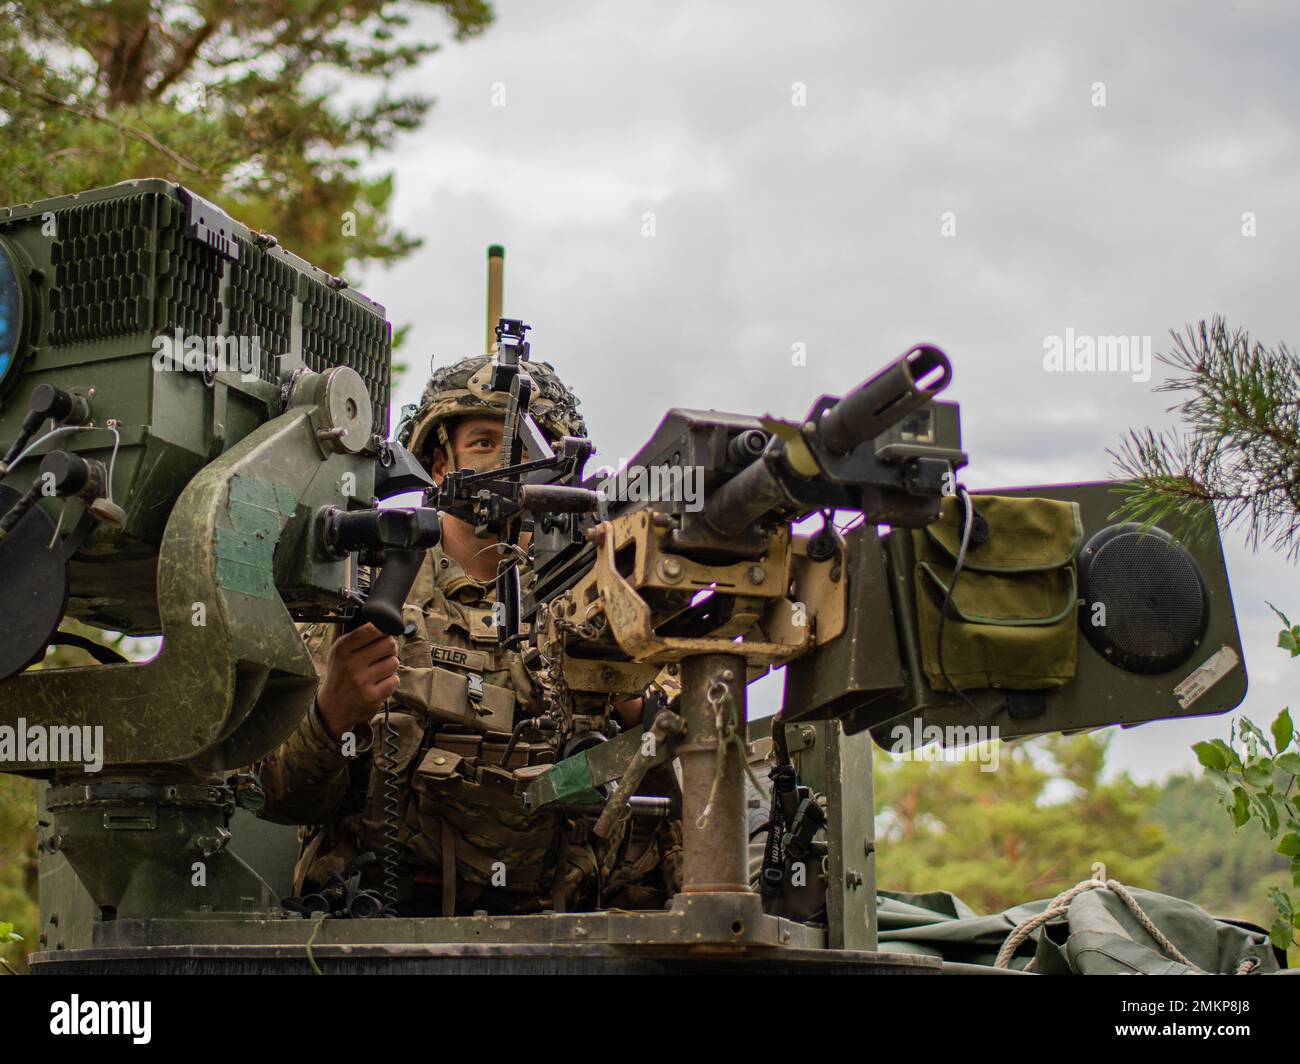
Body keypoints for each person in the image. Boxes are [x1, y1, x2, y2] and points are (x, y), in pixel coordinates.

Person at [252, 354, 682, 915]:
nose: (512, 468)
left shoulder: (607, 598)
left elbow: (694, 788)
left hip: (575, 935)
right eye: (485, 442)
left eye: (533, 453)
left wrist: (628, 696)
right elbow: (277, 797)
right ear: (438, 463)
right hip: (394, 933)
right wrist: (334, 713)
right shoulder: (358, 589)